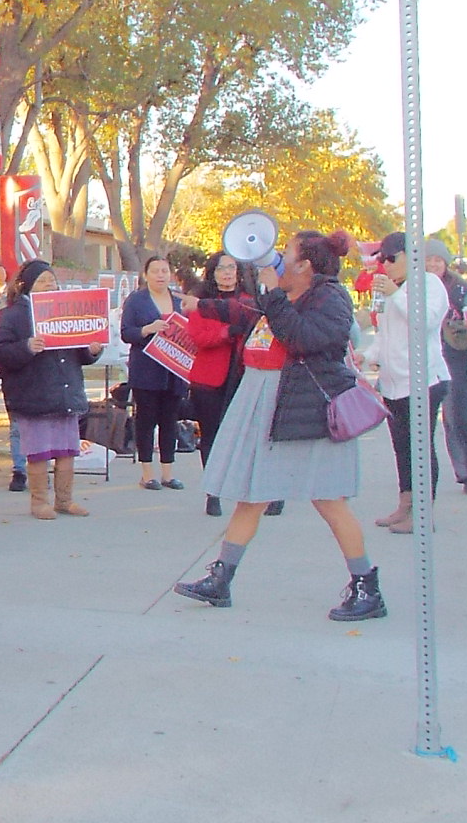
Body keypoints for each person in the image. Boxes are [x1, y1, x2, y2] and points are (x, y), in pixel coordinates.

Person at [174, 230, 386, 622]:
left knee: (330, 500)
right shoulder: (286, 296)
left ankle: (366, 586)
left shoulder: (329, 298)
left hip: (306, 413)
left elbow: (307, 339)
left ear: (304, 264)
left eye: (286, 254)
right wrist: (202, 305)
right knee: (252, 496)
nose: (278, 260)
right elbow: (245, 314)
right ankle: (222, 578)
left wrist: (273, 298)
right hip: (274, 406)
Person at [0, 259, 97, 519]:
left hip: (65, 389)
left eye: (52, 280)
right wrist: (26, 347)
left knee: (68, 447)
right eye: (43, 281)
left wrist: (91, 350)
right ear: (27, 286)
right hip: (33, 393)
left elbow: (79, 351)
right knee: (37, 451)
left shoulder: (67, 311)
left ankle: (65, 499)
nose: (50, 285)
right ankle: (39, 501)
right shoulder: (13, 315)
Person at [371, 231, 449, 533]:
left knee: (421, 446)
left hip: (424, 381)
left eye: (392, 258)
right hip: (394, 382)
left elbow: (425, 322)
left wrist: (396, 294)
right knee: (402, 447)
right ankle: (405, 505)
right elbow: (385, 334)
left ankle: (423, 515)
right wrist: (369, 355)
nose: (386, 265)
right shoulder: (393, 290)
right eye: (382, 260)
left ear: (409, 256)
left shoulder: (428, 283)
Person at [185, 250, 247, 517]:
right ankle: (213, 492)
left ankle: (249, 490)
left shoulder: (248, 300)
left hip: (243, 376)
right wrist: (227, 332)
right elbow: (199, 335)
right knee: (210, 435)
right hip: (209, 379)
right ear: (212, 272)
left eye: (231, 267)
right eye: (221, 268)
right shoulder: (201, 301)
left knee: (244, 437)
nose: (227, 272)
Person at [120, 254, 188, 490]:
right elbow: (126, 332)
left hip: (174, 370)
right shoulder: (136, 301)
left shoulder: (179, 300)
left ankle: (168, 472)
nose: (161, 275)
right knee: (146, 420)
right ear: (146, 275)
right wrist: (148, 329)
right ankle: (147, 473)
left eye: (165, 271)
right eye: (156, 271)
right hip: (146, 369)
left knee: (170, 421)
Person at [431, 240, 467, 495]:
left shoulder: (462, 290)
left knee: (458, 418)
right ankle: (418, 477)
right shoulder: (409, 288)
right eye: (427, 260)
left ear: (445, 263)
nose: (432, 265)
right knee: (418, 421)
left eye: (437, 260)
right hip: (422, 360)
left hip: (455, 360)